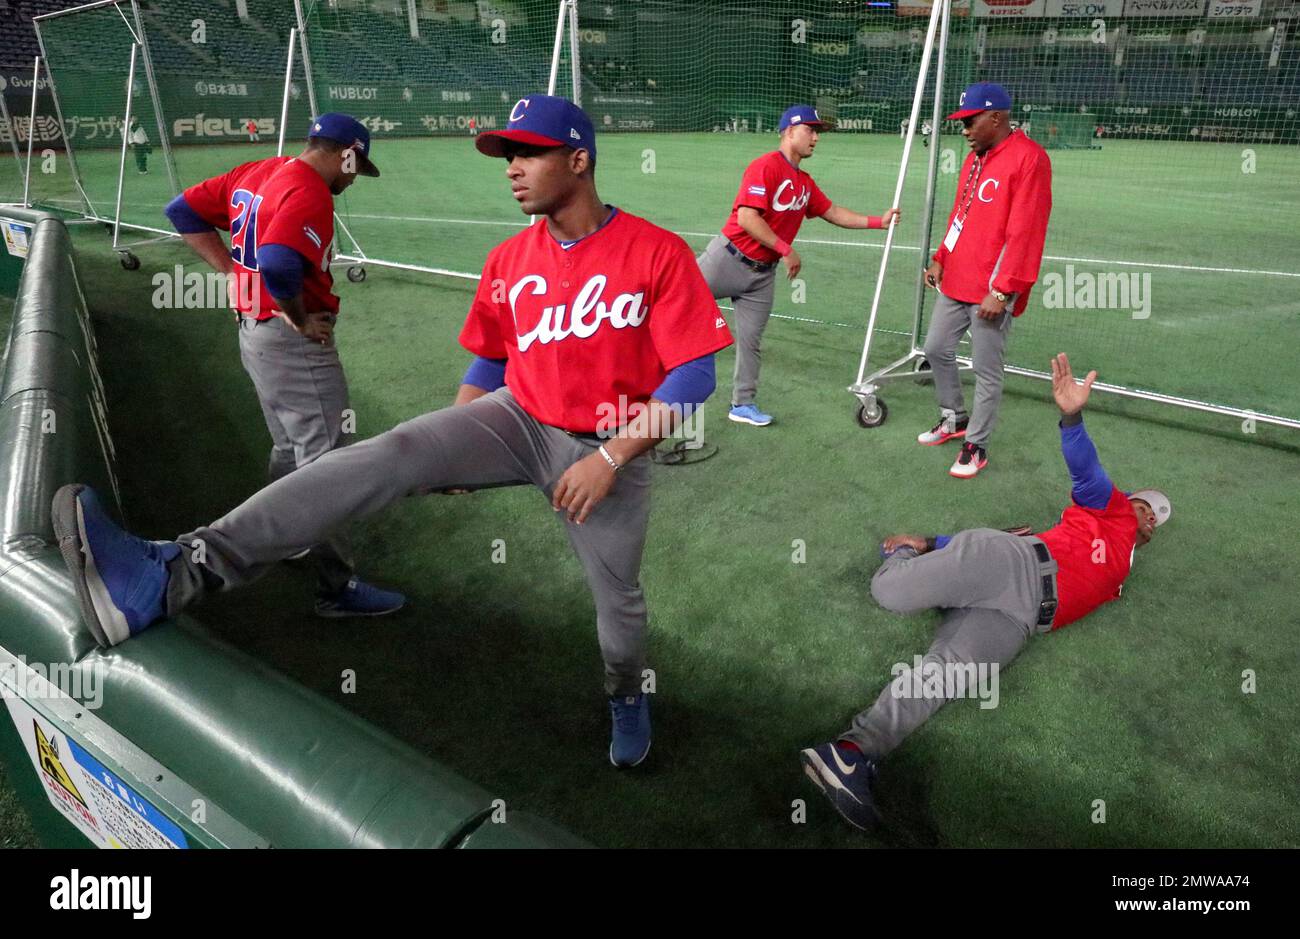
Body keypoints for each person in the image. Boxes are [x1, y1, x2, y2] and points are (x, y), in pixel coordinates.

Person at [53, 94, 732, 768]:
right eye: (508, 154)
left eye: (527, 152)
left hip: (606, 441)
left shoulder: (656, 252)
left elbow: (693, 374)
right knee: (387, 453)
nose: (512, 167)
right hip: (518, 418)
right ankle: (177, 571)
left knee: (619, 603)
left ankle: (625, 695)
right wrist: (459, 426)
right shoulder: (509, 258)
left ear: (578, 160)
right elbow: (492, 355)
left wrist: (611, 457)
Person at [800, 353, 1171, 831]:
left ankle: (850, 754)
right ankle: (908, 559)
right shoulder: (1113, 510)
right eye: (1146, 506)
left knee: (947, 677)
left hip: (1019, 620)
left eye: (1155, 518)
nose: (1148, 516)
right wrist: (1072, 417)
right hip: (1009, 564)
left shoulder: (1123, 570)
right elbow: (1087, 472)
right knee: (890, 594)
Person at [160, 113, 403, 618]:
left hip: (252, 334)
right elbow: (276, 262)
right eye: (356, 168)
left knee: (290, 448)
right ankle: (336, 588)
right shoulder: (309, 189)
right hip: (288, 343)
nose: (354, 180)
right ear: (348, 154)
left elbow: (181, 210)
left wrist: (230, 270)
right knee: (326, 466)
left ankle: (288, 539)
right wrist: (296, 318)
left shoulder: (256, 171)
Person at [697, 104, 899, 427]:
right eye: (810, 130)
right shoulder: (766, 166)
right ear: (789, 131)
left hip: (761, 276)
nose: (816, 138)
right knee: (673, 302)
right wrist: (784, 248)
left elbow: (833, 212)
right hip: (726, 260)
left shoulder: (803, 181)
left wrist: (879, 222)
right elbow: (748, 217)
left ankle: (742, 404)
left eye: (817, 132)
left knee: (750, 343)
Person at [919, 83, 1052, 479]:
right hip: (958, 277)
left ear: (996, 118)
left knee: (985, 368)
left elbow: (1026, 231)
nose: (964, 130)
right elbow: (961, 213)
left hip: (993, 288)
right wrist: (942, 256)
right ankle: (954, 416)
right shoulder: (976, 157)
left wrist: (1002, 288)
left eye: (970, 121)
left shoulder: (1030, 159)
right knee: (936, 347)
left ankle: (976, 445)